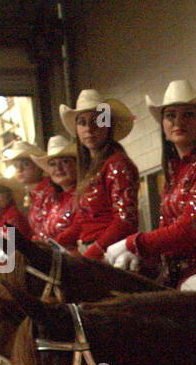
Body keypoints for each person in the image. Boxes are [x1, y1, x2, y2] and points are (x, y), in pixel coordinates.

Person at [105, 79, 196, 290]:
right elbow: (166, 230)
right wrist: (143, 257)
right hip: (176, 275)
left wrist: (132, 243)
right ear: (163, 126)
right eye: (171, 115)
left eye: (188, 114)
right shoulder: (175, 172)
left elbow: (189, 231)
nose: (178, 122)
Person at [51, 89, 139, 257]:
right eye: (82, 122)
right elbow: (82, 221)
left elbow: (125, 220)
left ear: (108, 125)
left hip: (114, 253)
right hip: (95, 250)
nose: (89, 128)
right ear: (77, 129)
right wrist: (54, 243)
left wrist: (93, 253)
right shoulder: (91, 169)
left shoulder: (117, 163)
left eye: (97, 121)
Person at [1, 140, 53, 239]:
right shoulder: (34, 195)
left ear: (38, 167)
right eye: (15, 166)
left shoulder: (51, 190)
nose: (20, 169)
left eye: (25, 164)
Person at [36, 135, 79, 242]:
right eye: (52, 164)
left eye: (65, 161)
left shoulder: (84, 195)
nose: (58, 168)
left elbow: (79, 228)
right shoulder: (56, 199)